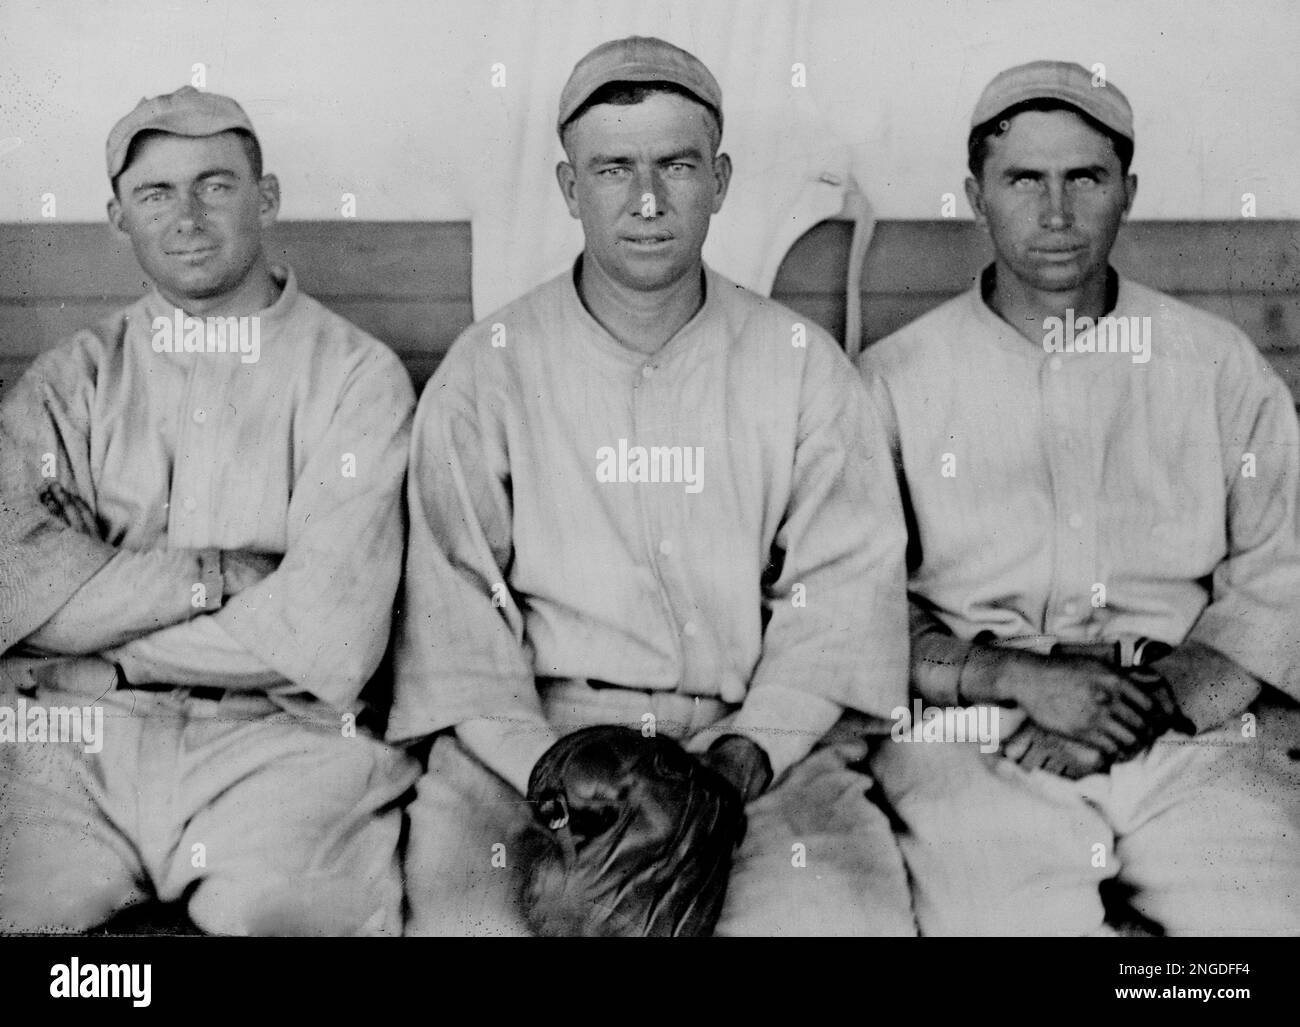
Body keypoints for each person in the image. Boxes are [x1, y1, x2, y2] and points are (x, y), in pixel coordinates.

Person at [390, 36, 915, 936]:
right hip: (532, 738)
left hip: (752, 735)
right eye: (613, 169)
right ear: (568, 188)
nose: (646, 200)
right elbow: (457, 619)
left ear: (719, 180)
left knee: (842, 920)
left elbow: (841, 594)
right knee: (473, 926)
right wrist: (558, 773)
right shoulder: (490, 368)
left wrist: (744, 757)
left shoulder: (800, 367)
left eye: (676, 165)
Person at [859, 60, 1300, 935]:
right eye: (1023, 180)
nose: (1055, 214)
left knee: (1259, 929)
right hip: (973, 732)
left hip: (1189, 723)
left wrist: (1156, 698)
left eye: (1084, 179)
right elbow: (856, 600)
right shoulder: (894, 380)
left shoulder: (1215, 366)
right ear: (975, 195)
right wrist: (1017, 676)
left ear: (1127, 192)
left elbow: (1280, 572)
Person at [0, 86, 419, 935]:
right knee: (25, 916)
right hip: (68, 743)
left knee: (292, 920)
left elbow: (327, 635)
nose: (186, 217)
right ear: (118, 218)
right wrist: (218, 579)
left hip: (282, 743)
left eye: (215, 185)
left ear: (266, 199)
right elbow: (12, 583)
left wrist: (97, 640)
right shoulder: (74, 377)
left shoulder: (355, 376)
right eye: (156, 194)